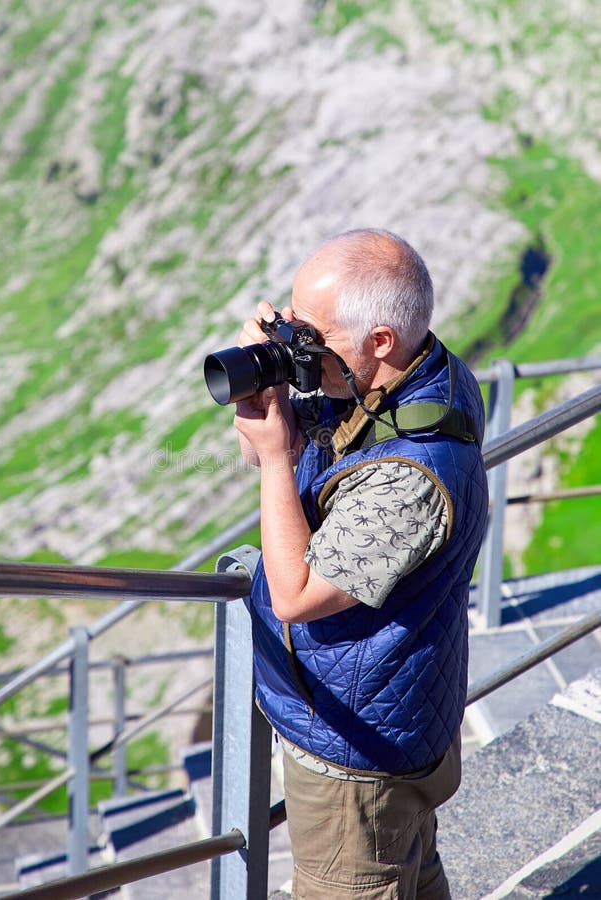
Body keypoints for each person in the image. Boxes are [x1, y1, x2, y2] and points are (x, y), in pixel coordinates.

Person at [233, 228, 488, 899]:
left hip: (359, 758)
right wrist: (270, 391)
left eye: (310, 333)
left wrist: (276, 460)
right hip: (392, 713)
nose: (298, 346)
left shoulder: (414, 472)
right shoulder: (410, 376)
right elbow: (278, 448)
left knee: (356, 880)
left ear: (379, 342)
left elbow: (293, 594)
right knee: (410, 872)